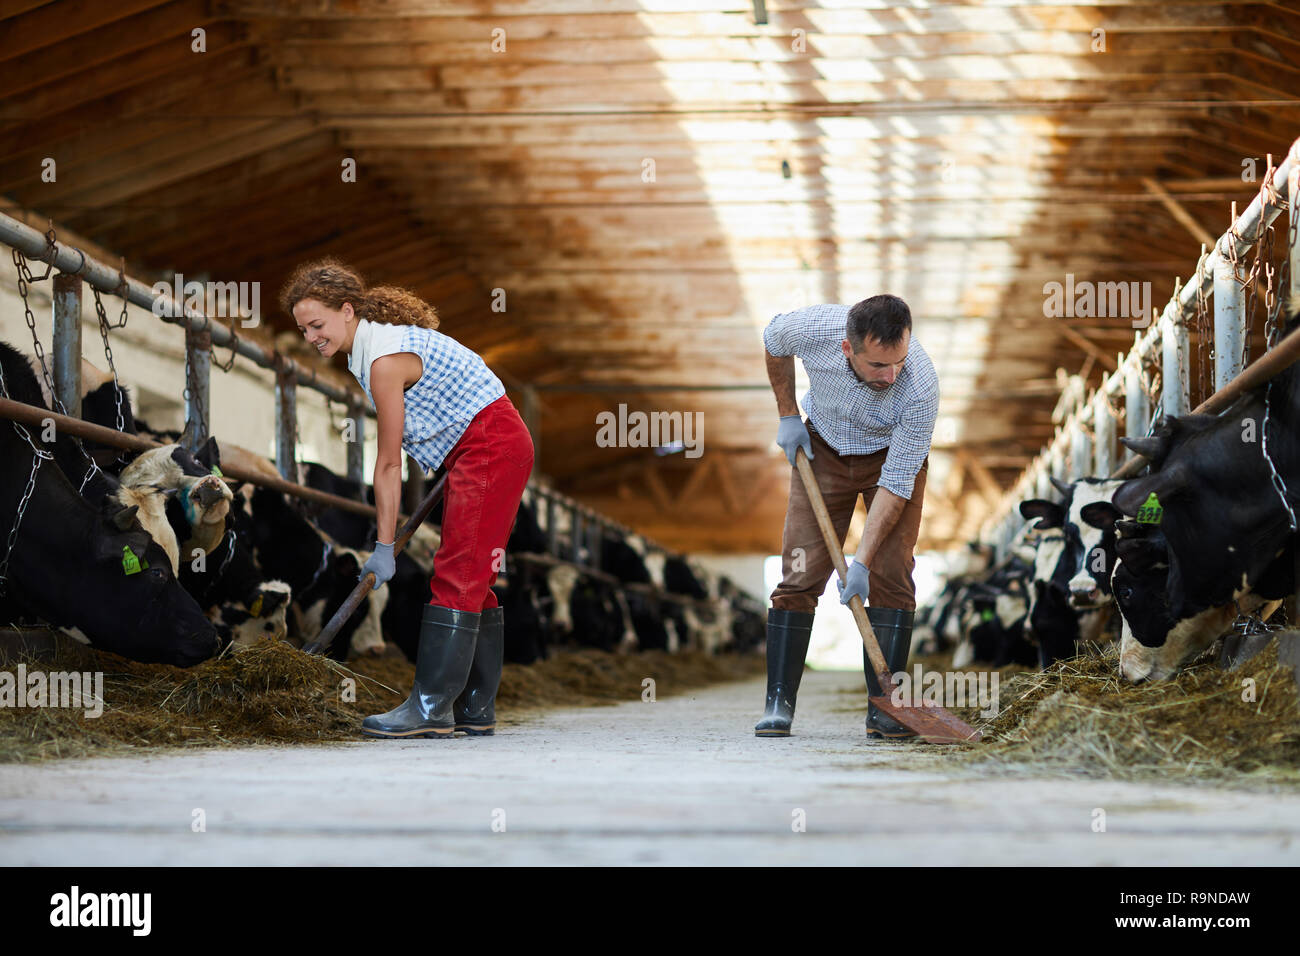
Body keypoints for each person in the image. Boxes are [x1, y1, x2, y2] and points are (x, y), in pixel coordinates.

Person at [280, 259, 534, 739]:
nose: (312, 336)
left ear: (348, 310)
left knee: (457, 571)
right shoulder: (376, 344)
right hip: (489, 441)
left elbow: (390, 464)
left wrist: (381, 544)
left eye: (318, 324)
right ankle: (474, 708)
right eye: (303, 328)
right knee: (472, 575)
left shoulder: (382, 360)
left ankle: (432, 708)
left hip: (490, 444)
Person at [758, 294, 938, 738]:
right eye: (878, 365)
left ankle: (884, 709)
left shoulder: (920, 387)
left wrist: (862, 563)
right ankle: (778, 703)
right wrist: (788, 414)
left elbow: (897, 484)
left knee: (892, 574)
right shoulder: (813, 329)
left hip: (888, 462)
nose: (891, 375)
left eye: (898, 360)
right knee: (799, 573)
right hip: (822, 454)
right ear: (846, 349)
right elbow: (772, 341)